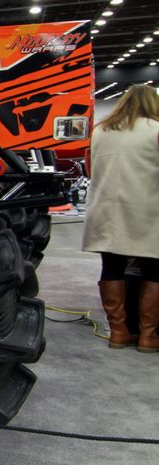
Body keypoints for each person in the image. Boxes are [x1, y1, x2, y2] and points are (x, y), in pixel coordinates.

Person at [82, 84, 159, 352]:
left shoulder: (101, 131)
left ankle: (118, 332)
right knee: (153, 270)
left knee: (112, 268)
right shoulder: (156, 130)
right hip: (146, 211)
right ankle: (148, 335)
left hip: (106, 211)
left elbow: (89, 169)